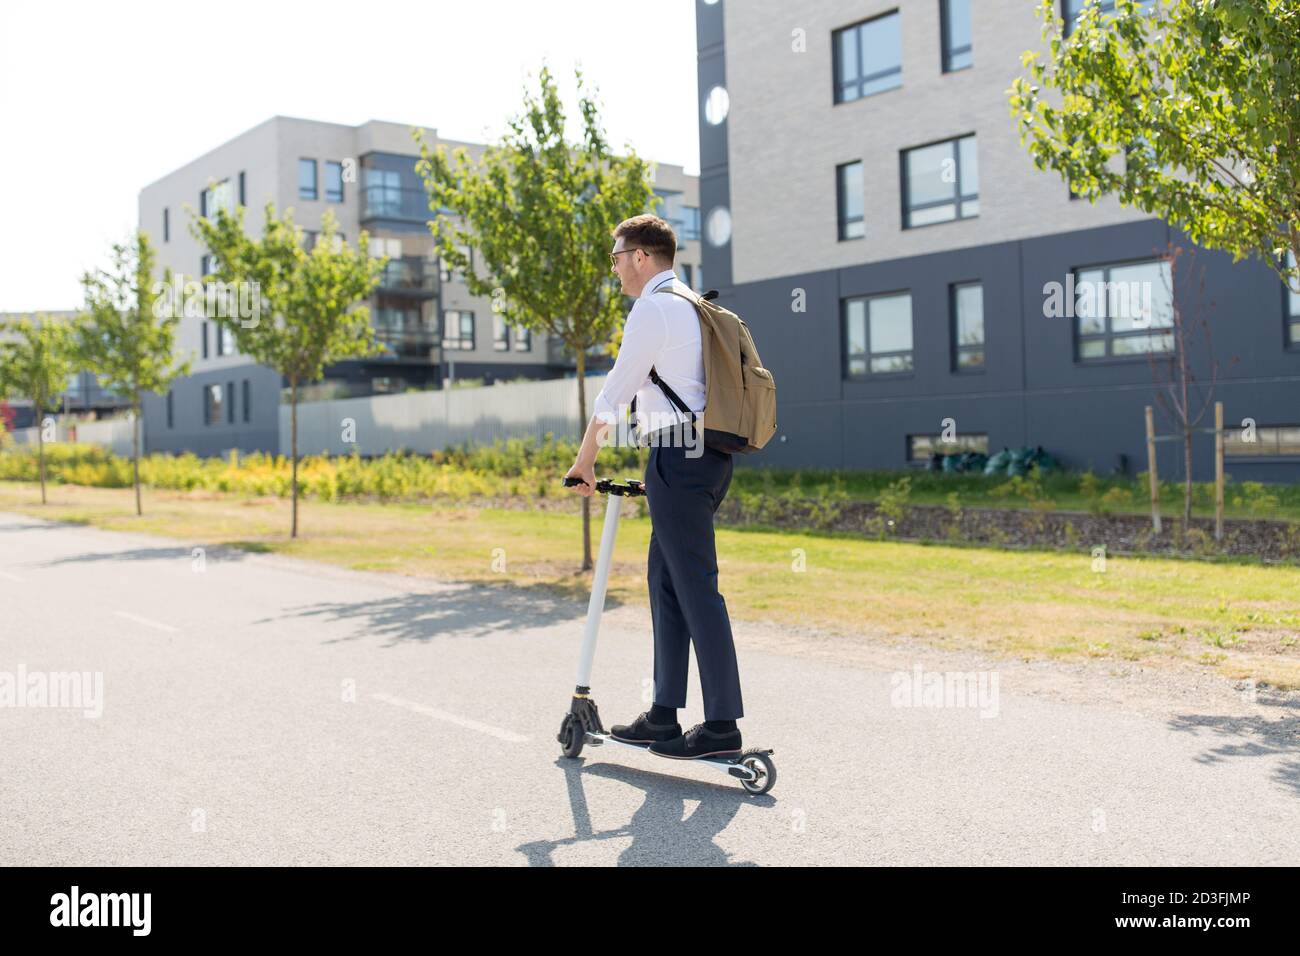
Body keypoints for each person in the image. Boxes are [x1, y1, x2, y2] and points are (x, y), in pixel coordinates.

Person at [563, 213, 744, 760]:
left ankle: (721, 727)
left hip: (678, 462)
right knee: (668, 584)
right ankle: (663, 715)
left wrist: (584, 462)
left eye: (617, 257)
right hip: (703, 459)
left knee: (696, 591)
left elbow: (615, 395)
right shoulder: (693, 304)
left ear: (642, 256)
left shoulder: (652, 308)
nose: (614, 268)